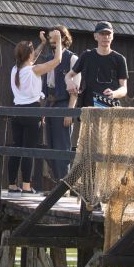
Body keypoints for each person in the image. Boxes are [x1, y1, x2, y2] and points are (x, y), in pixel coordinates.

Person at [6, 35, 65, 193]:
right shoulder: (34, 70)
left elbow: (31, 58)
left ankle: (11, 184)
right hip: (32, 111)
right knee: (28, 150)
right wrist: (58, 41)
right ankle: (26, 186)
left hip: (16, 112)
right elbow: (57, 60)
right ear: (29, 55)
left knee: (16, 149)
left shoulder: (15, 69)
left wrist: (43, 44)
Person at [38, 26, 79, 181]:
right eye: (51, 38)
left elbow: (75, 89)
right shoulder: (49, 59)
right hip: (50, 104)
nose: (52, 40)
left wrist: (70, 112)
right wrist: (43, 110)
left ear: (63, 38)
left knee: (62, 146)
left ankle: (64, 187)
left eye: (55, 37)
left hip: (64, 104)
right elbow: (45, 87)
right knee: (50, 145)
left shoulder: (72, 59)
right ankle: (57, 183)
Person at [66, 21, 127, 108]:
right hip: (88, 109)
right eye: (102, 34)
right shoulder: (86, 56)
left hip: (110, 109)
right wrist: (69, 82)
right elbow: (68, 75)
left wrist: (114, 93)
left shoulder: (119, 59)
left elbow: (124, 89)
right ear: (95, 36)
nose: (106, 37)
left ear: (112, 36)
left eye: (108, 34)